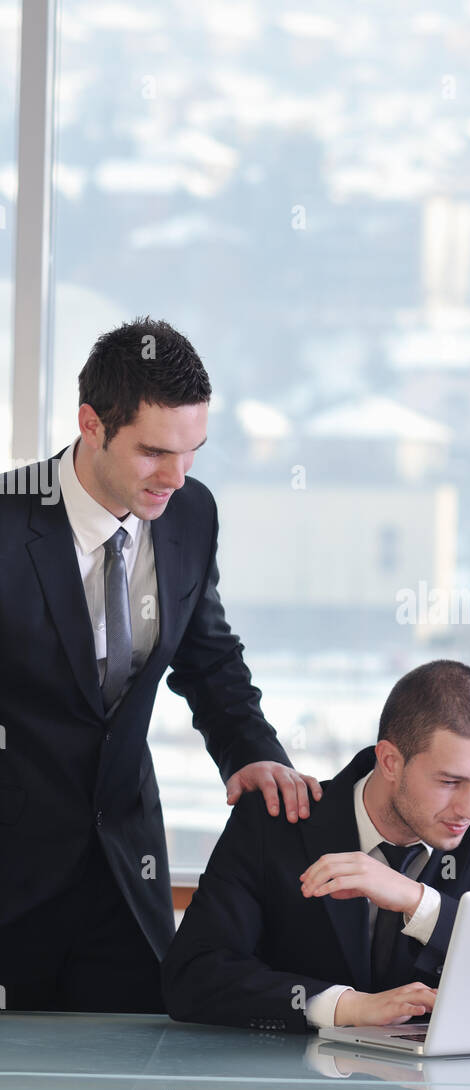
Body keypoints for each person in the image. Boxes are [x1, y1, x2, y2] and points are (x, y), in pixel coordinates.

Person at [0, 317, 319, 1014]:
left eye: (192, 451)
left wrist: (250, 752)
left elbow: (208, 657)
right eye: (153, 452)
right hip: (12, 881)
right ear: (91, 424)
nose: (175, 477)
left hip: (124, 871)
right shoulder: (7, 521)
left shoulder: (188, 515)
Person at [162, 660, 470, 1032]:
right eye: (449, 782)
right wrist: (344, 1006)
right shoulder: (273, 825)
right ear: (390, 761)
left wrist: (419, 902)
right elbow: (192, 977)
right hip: (291, 1087)